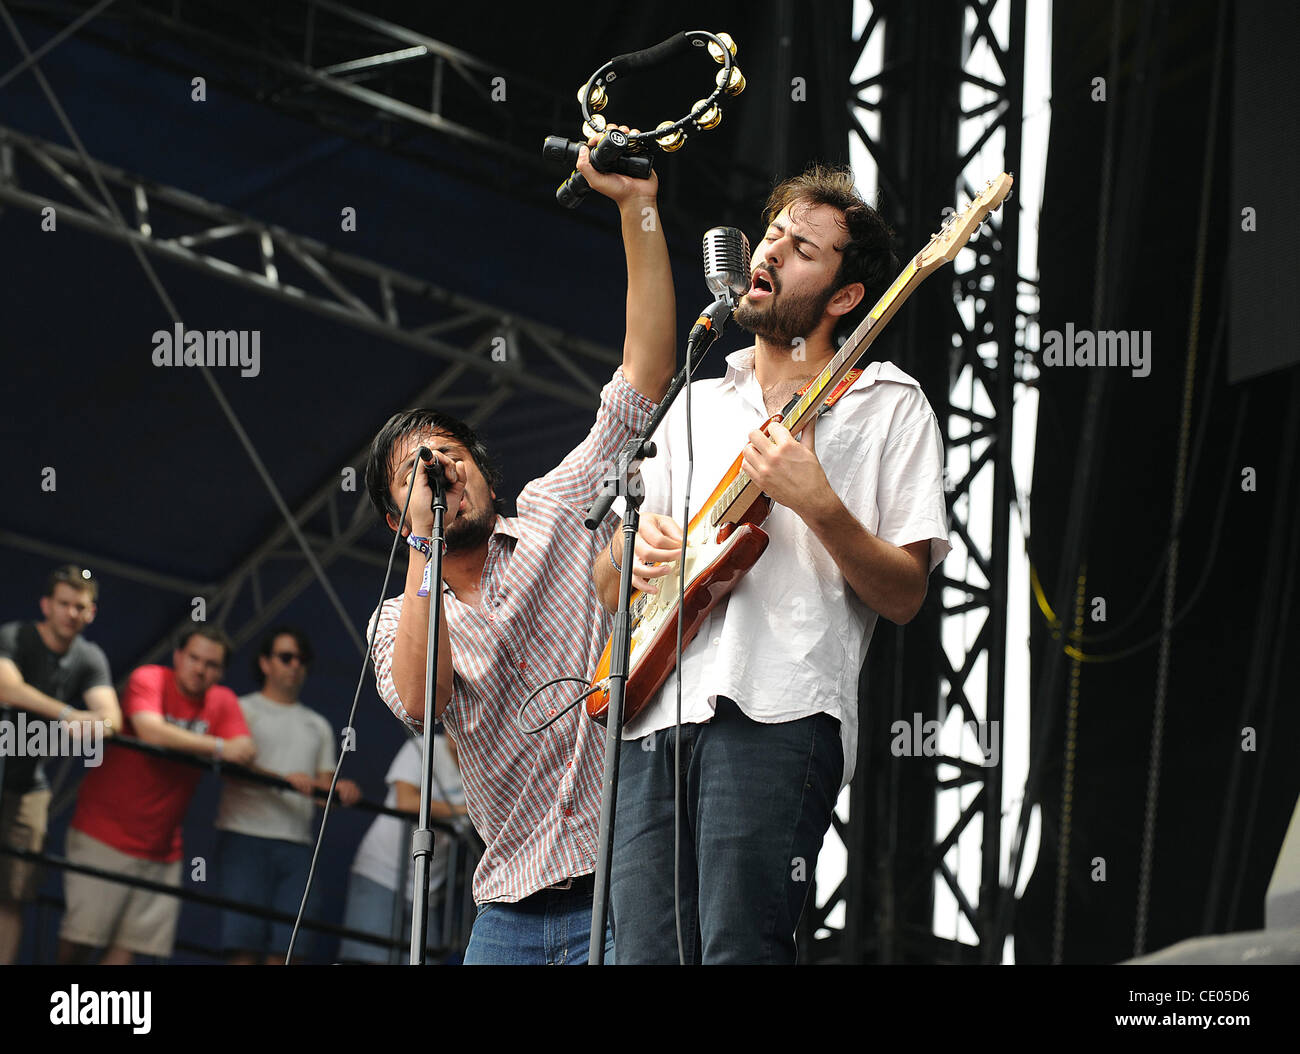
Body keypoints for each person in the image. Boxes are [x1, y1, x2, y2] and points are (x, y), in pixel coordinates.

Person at [593, 164, 952, 963]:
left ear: (846, 297)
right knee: (639, 955)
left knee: (738, 950)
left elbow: (904, 593)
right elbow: (611, 583)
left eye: (805, 248)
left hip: (781, 709)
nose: (775, 250)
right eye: (776, 235)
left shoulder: (889, 403)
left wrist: (819, 503)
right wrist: (637, 552)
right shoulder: (695, 398)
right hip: (651, 708)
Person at [364, 131, 675, 964]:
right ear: (398, 523)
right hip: (507, 908)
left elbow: (643, 379)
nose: (438, 470)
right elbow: (426, 702)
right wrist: (427, 549)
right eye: (413, 473)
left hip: (618, 882)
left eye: (450, 456)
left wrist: (638, 209)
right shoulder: (398, 617)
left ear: (486, 479)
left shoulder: (554, 514)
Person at [59, 625, 255, 964]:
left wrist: (221, 747)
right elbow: (151, 731)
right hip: (103, 834)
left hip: (162, 848)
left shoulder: (222, 700)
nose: (200, 669)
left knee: (129, 948)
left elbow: (247, 749)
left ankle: (100, 1017)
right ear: (178, 656)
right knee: (81, 938)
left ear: (221, 672)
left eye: (211, 664)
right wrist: (219, 746)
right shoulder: (149, 678)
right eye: (194, 658)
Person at [213, 626, 361, 964]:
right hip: (242, 835)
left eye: (302, 659)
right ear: (265, 663)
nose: (295, 665)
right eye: (285, 657)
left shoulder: (318, 725)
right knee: (242, 944)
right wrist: (285, 779)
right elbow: (228, 765)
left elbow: (323, 795)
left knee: (290, 948)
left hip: (297, 844)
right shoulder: (241, 708)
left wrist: (341, 789)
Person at [0, 565, 121, 964]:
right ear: (46, 605)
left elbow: (111, 720)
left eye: (79, 606)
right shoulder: (15, 636)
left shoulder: (89, 657)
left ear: (91, 613)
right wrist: (69, 715)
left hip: (27, 784)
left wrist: (92, 723)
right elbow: (6, 687)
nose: (71, 613)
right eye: (64, 604)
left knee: (14, 892)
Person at [338, 730, 468, 964]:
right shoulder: (424, 746)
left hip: (428, 887)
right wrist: (463, 810)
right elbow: (405, 801)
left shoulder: (482, 766)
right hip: (381, 871)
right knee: (368, 958)